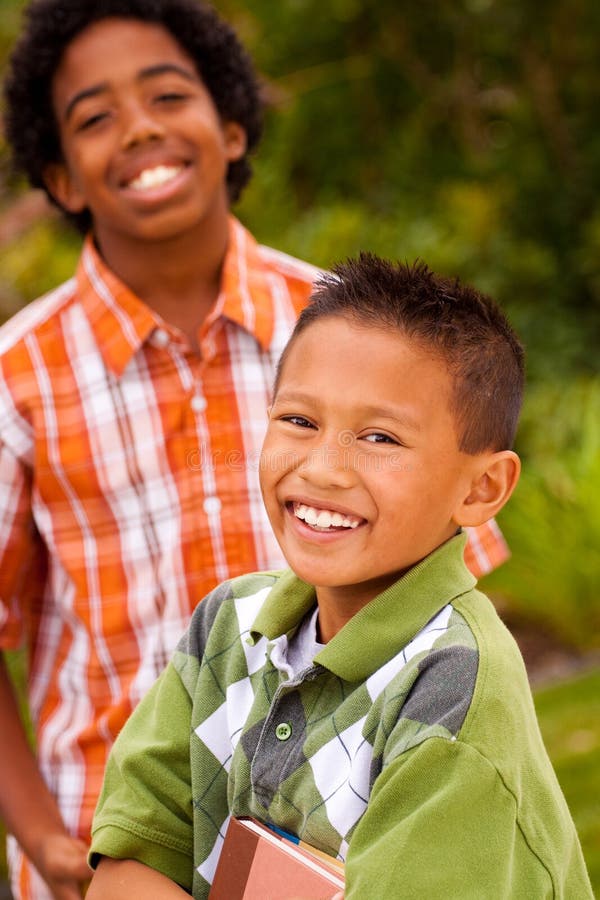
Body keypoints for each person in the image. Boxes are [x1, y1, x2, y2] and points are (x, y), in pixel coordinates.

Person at [0, 2, 509, 898]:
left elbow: (449, 583)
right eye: (95, 116)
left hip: (341, 844)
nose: (141, 128)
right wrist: (43, 836)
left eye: (167, 95)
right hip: (115, 847)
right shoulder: (17, 378)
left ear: (231, 126)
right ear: (61, 177)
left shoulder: (355, 332)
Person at [85, 254, 593, 899]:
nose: (323, 468)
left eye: (380, 438)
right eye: (299, 421)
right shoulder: (228, 625)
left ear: (482, 488)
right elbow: (131, 863)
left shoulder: (454, 689)